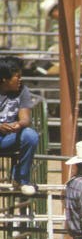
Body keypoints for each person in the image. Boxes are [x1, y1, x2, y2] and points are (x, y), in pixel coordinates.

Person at [0, 56, 39, 195]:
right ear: (5, 79)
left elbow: (25, 118)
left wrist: (19, 124)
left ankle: (22, 180)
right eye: (17, 76)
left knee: (30, 135)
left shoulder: (22, 90)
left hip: (9, 137)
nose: (20, 79)